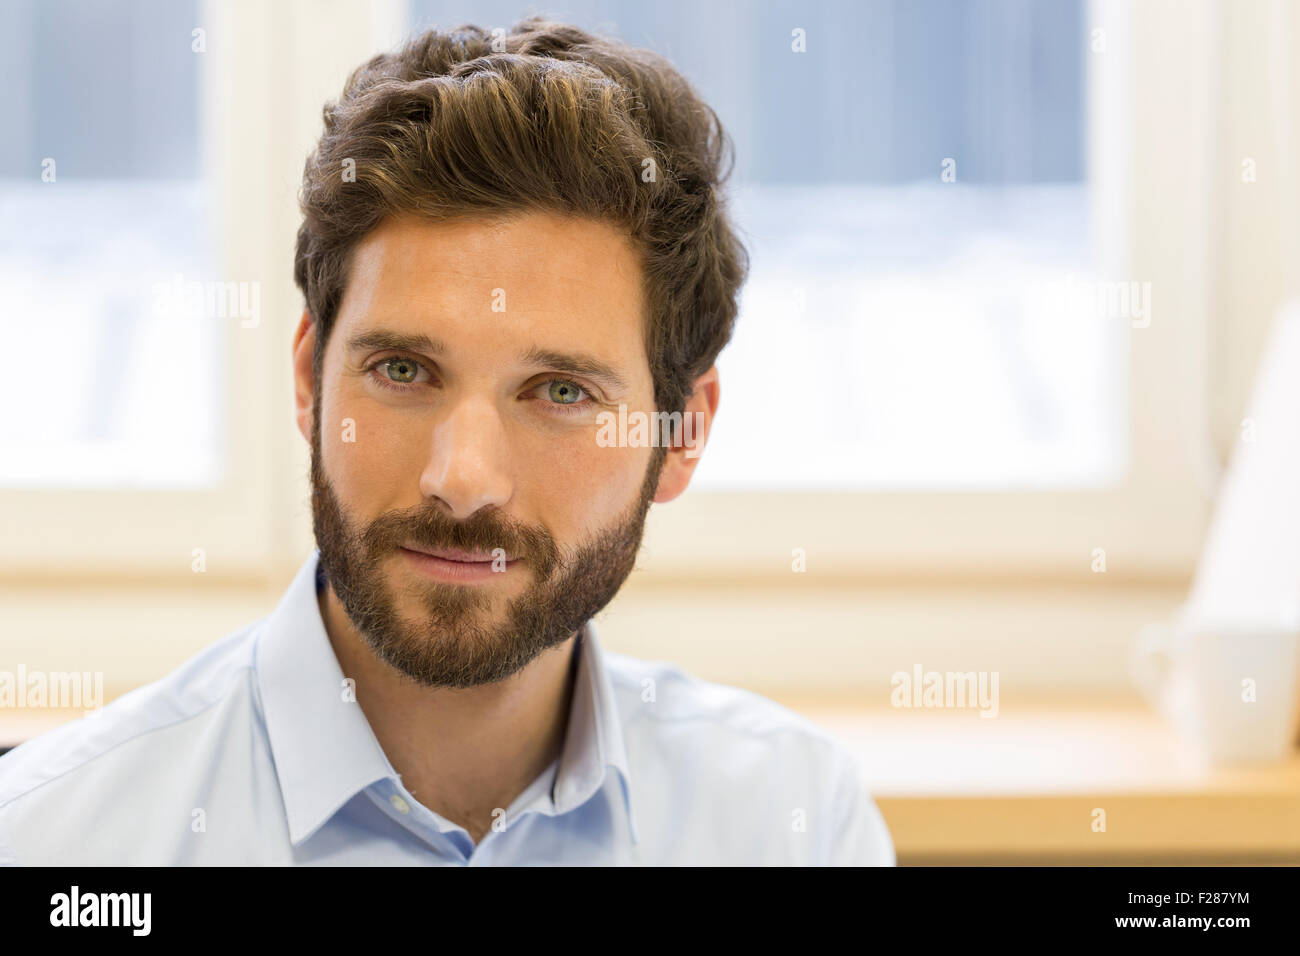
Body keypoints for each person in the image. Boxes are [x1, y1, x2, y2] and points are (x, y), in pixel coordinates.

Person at [0, 17, 894, 866]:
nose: (462, 480)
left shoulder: (793, 822)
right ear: (310, 381)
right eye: (402, 371)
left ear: (682, 432)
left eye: (559, 392)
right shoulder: (58, 840)